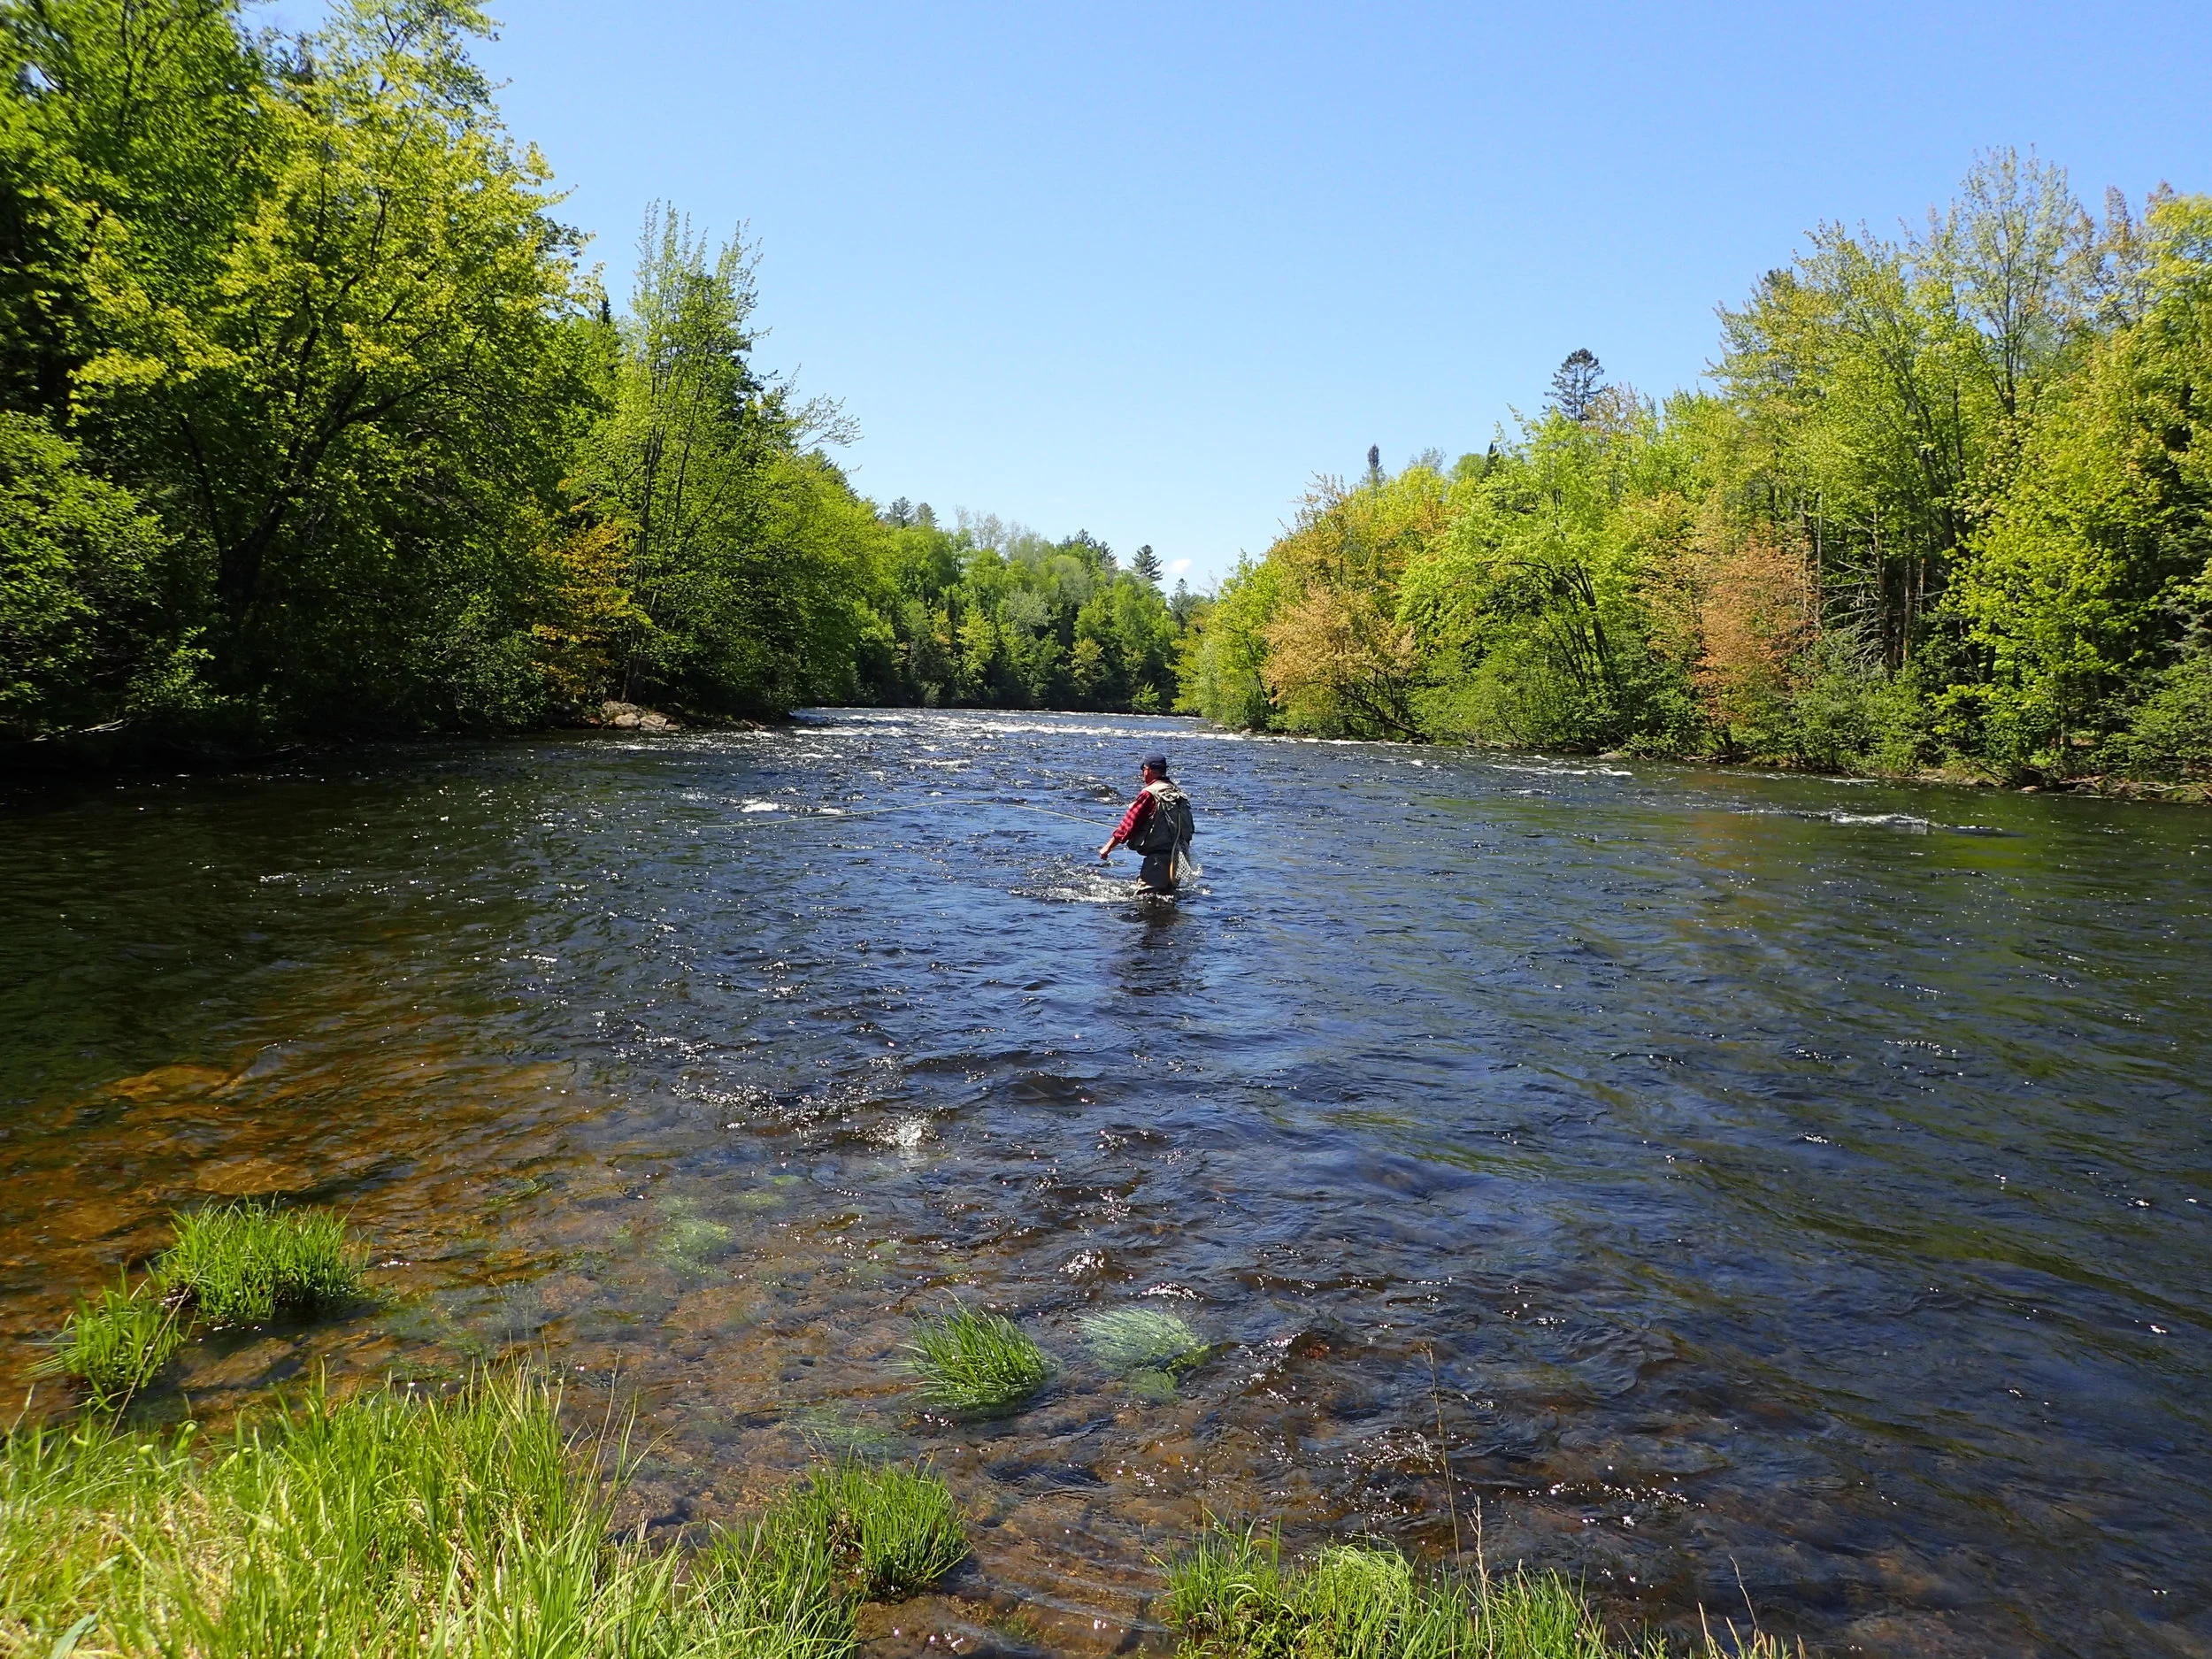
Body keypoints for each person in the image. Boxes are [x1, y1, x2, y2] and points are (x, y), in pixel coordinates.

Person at [1098, 753, 1198, 893]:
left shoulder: (1149, 793)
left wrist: (1107, 848)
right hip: (1178, 858)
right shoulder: (1176, 791)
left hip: (1158, 860)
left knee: (1147, 899)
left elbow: (1128, 825)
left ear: (1148, 770)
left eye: (1142, 768)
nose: (1142, 773)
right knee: (1167, 898)